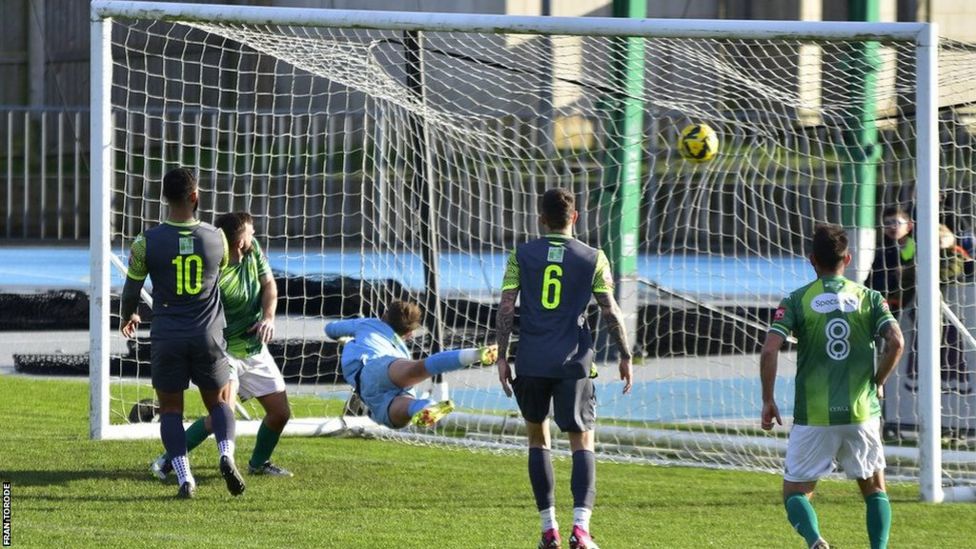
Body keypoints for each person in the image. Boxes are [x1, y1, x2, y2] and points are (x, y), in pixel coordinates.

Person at [495, 187, 633, 549]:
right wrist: (625, 355)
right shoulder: (595, 257)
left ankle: (548, 530)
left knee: (538, 439)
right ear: (575, 217)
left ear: (541, 219)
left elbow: (507, 308)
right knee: (582, 440)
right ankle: (581, 530)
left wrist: (502, 357)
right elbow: (610, 311)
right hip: (574, 363)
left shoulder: (520, 255)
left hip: (532, 360)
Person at [761, 223, 904, 549]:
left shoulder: (797, 300)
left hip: (815, 416)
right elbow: (896, 342)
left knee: (796, 493)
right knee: (874, 488)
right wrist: (878, 382)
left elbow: (770, 349)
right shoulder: (869, 298)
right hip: (861, 411)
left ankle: (815, 541)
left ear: (812, 259)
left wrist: (768, 400)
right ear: (848, 258)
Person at [120, 167, 245, 499]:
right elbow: (224, 269)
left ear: (164, 198)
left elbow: (131, 290)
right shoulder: (216, 237)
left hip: (168, 336)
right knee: (218, 403)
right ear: (194, 196)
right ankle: (226, 454)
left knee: (171, 410)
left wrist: (128, 315)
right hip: (208, 334)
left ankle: (184, 478)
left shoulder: (146, 241)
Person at [150, 211, 294, 481]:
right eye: (251, 232)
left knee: (280, 413)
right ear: (240, 241)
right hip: (223, 349)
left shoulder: (253, 251)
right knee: (220, 415)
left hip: (253, 347)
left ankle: (259, 463)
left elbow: (269, 285)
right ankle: (167, 460)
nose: (255, 236)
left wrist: (268, 318)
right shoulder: (215, 268)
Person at [324, 299, 498, 429]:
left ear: (384, 315)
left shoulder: (369, 324)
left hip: (366, 375)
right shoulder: (401, 350)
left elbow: (330, 328)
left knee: (412, 383)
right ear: (409, 334)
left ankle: (426, 407)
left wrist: (344, 337)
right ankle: (474, 354)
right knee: (416, 373)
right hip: (380, 373)